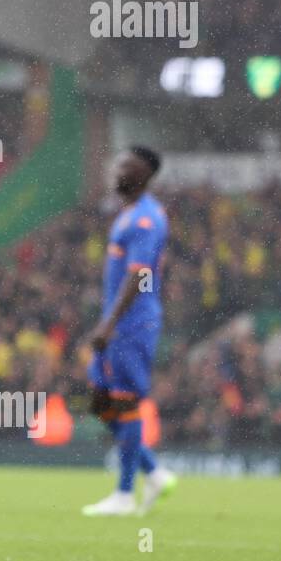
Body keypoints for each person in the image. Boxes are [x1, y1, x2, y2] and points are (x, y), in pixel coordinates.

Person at [81, 146, 178, 517]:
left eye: (127, 166)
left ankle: (124, 494)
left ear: (145, 174)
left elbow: (139, 275)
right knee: (101, 403)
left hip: (133, 324)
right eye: (118, 163)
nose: (118, 170)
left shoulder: (145, 220)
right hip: (119, 322)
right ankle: (153, 472)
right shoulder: (127, 214)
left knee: (124, 403)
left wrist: (109, 322)